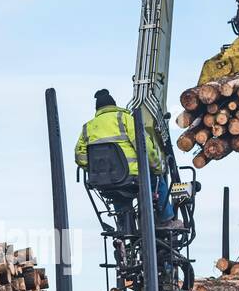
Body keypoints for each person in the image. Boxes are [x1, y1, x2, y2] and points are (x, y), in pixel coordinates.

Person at [75, 90, 175, 222]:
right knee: (157, 180)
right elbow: (146, 147)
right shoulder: (124, 119)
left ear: (97, 109)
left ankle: (124, 226)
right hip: (133, 176)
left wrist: (95, 170)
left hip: (103, 180)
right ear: (114, 105)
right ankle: (166, 220)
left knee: (117, 192)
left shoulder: (87, 127)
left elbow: (79, 157)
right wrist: (157, 168)